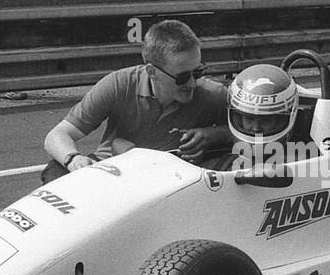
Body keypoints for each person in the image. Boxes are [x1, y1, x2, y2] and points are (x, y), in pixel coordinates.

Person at [41, 20, 232, 182]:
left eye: (197, 72)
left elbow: (255, 138)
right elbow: (56, 136)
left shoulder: (212, 94)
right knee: (55, 171)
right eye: (182, 77)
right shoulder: (119, 84)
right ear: (151, 72)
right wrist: (73, 159)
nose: (192, 83)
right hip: (113, 174)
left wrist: (214, 134)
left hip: (170, 183)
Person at [195, 63, 315, 171]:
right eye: (249, 119)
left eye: (266, 120)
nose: (256, 128)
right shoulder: (216, 164)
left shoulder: (307, 164)